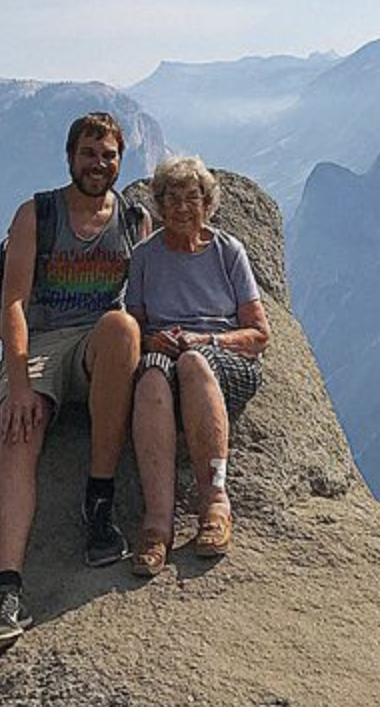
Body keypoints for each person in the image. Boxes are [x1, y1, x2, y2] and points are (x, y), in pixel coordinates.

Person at [0, 112, 151, 657]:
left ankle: (98, 502)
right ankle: (5, 589)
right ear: (71, 157)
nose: (99, 164)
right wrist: (20, 384)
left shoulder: (133, 219)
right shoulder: (38, 214)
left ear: (121, 161)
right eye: (89, 154)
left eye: (109, 155)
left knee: (124, 327)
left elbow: (142, 301)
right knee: (18, 433)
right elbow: (15, 303)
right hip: (46, 343)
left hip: (99, 343)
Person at [124, 156, 269, 577]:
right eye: (173, 198)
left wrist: (205, 339)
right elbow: (135, 323)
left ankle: (216, 503)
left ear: (207, 203)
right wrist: (152, 339)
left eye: (192, 198)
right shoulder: (146, 256)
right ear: (159, 203)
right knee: (150, 376)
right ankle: (156, 524)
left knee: (192, 362)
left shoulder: (228, 251)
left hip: (221, 358)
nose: (182, 208)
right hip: (166, 351)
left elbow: (259, 334)